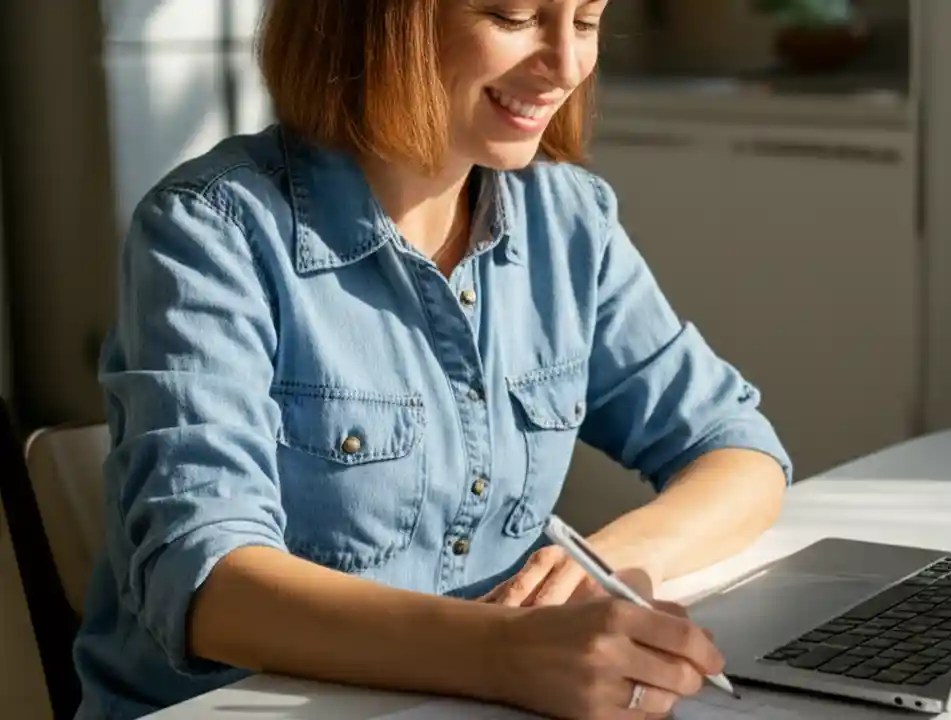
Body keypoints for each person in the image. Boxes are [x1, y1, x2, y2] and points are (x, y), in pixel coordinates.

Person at [73, 1, 791, 718]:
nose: (567, 66)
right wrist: (505, 652)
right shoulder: (211, 230)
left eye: (586, 21)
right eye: (514, 17)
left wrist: (599, 568)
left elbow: (739, 449)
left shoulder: (570, 222)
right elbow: (207, 584)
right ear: (380, 23)